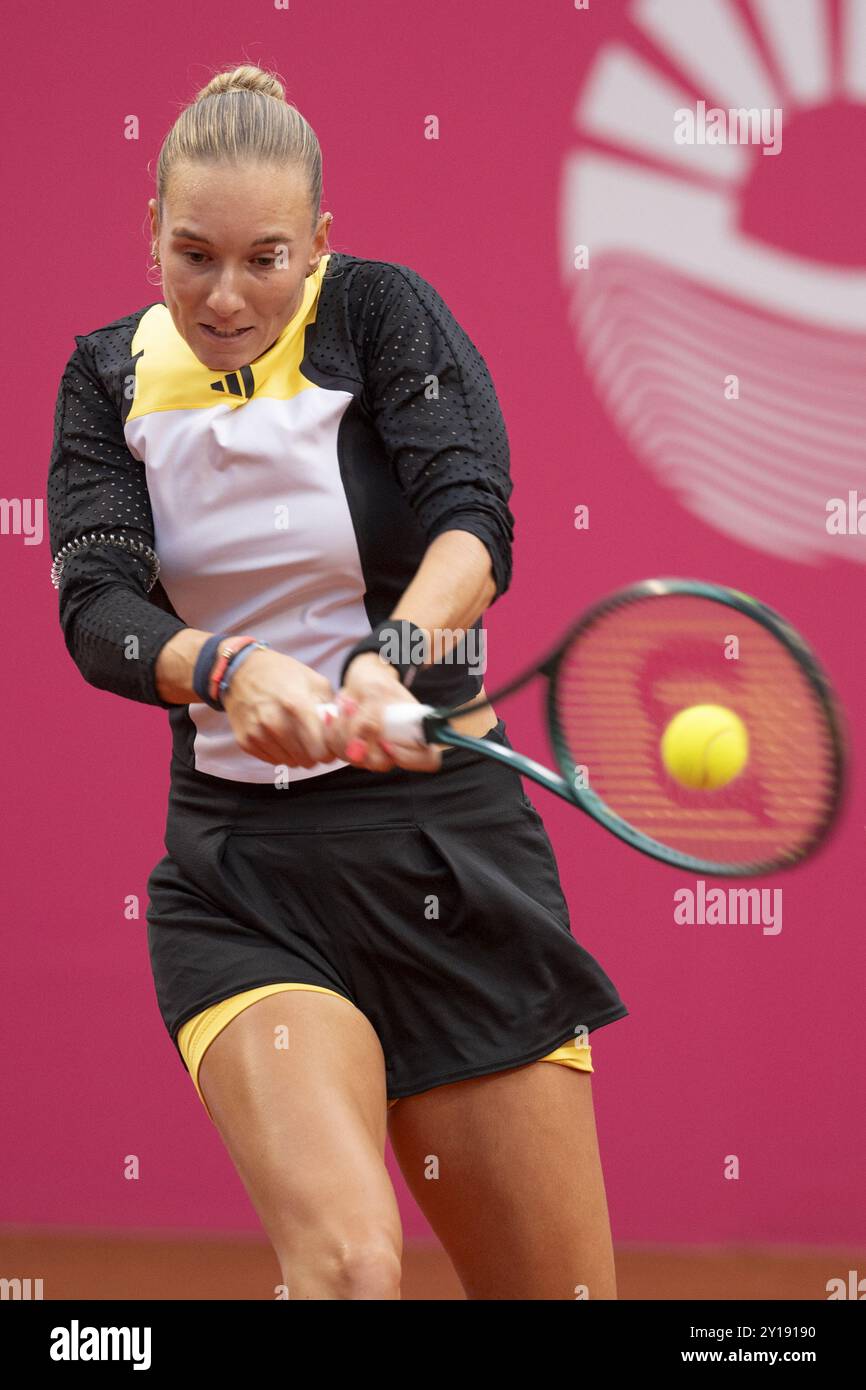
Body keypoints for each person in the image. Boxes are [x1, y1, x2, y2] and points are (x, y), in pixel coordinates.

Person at [47, 64, 628, 1300]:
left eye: (265, 257)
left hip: (446, 855)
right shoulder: (105, 377)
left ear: (320, 241)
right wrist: (219, 664)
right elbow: (97, 604)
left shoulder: (383, 316)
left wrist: (390, 659)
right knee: (353, 1267)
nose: (225, 294)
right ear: (147, 229)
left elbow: (473, 523)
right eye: (191, 253)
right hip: (243, 878)